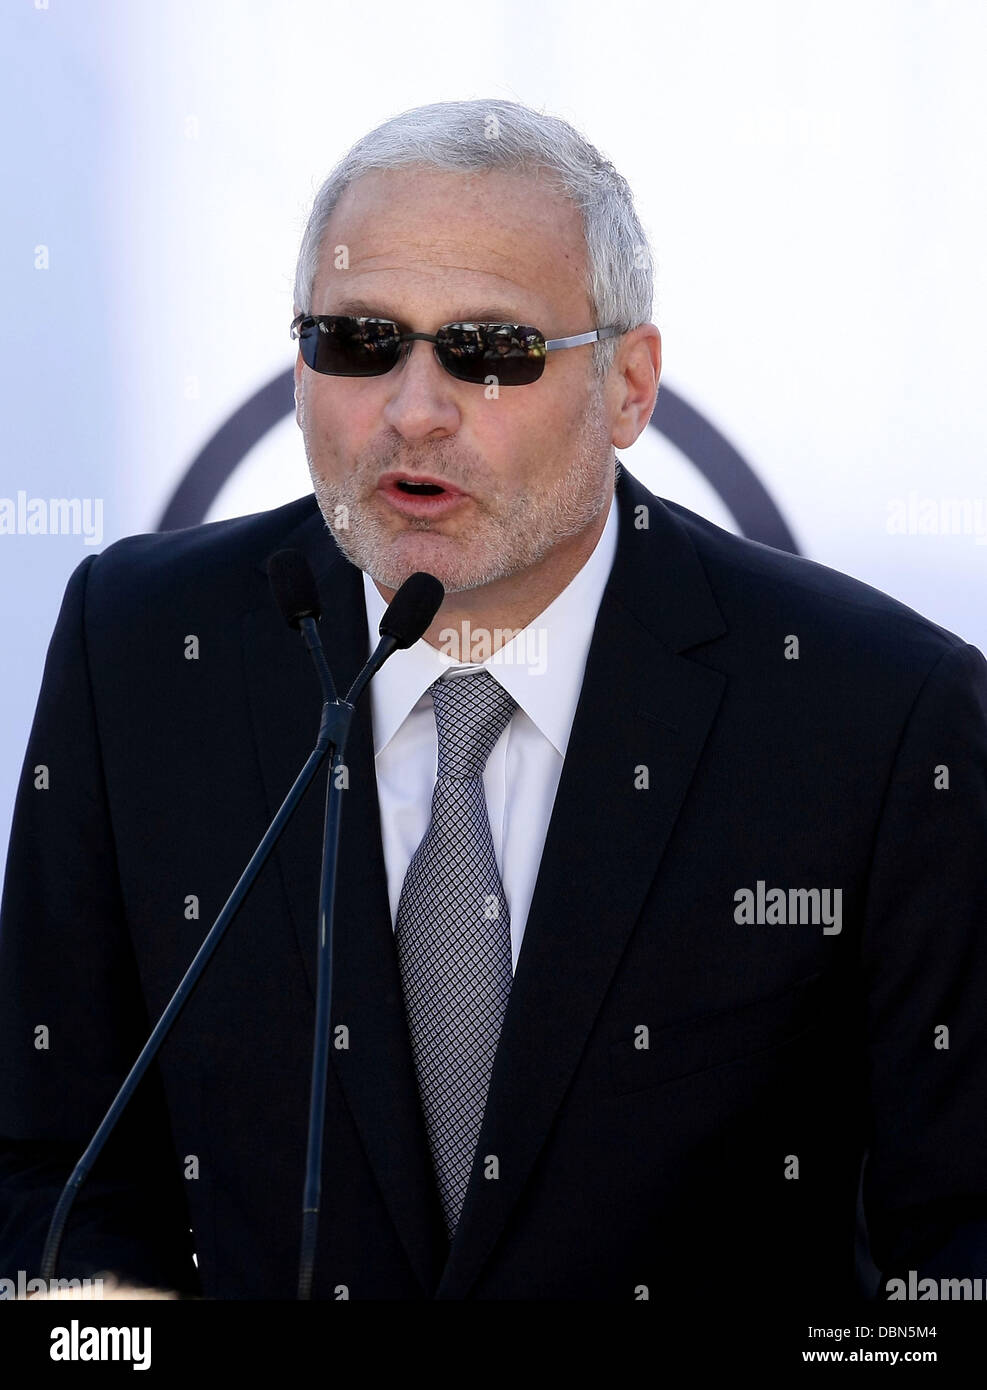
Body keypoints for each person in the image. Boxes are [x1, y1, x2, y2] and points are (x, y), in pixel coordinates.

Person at [1, 98, 986, 1304]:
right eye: (359, 341)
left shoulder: (879, 716)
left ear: (628, 386)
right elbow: (53, 1166)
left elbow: (959, 1243)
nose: (414, 409)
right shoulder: (142, 650)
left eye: (491, 352)